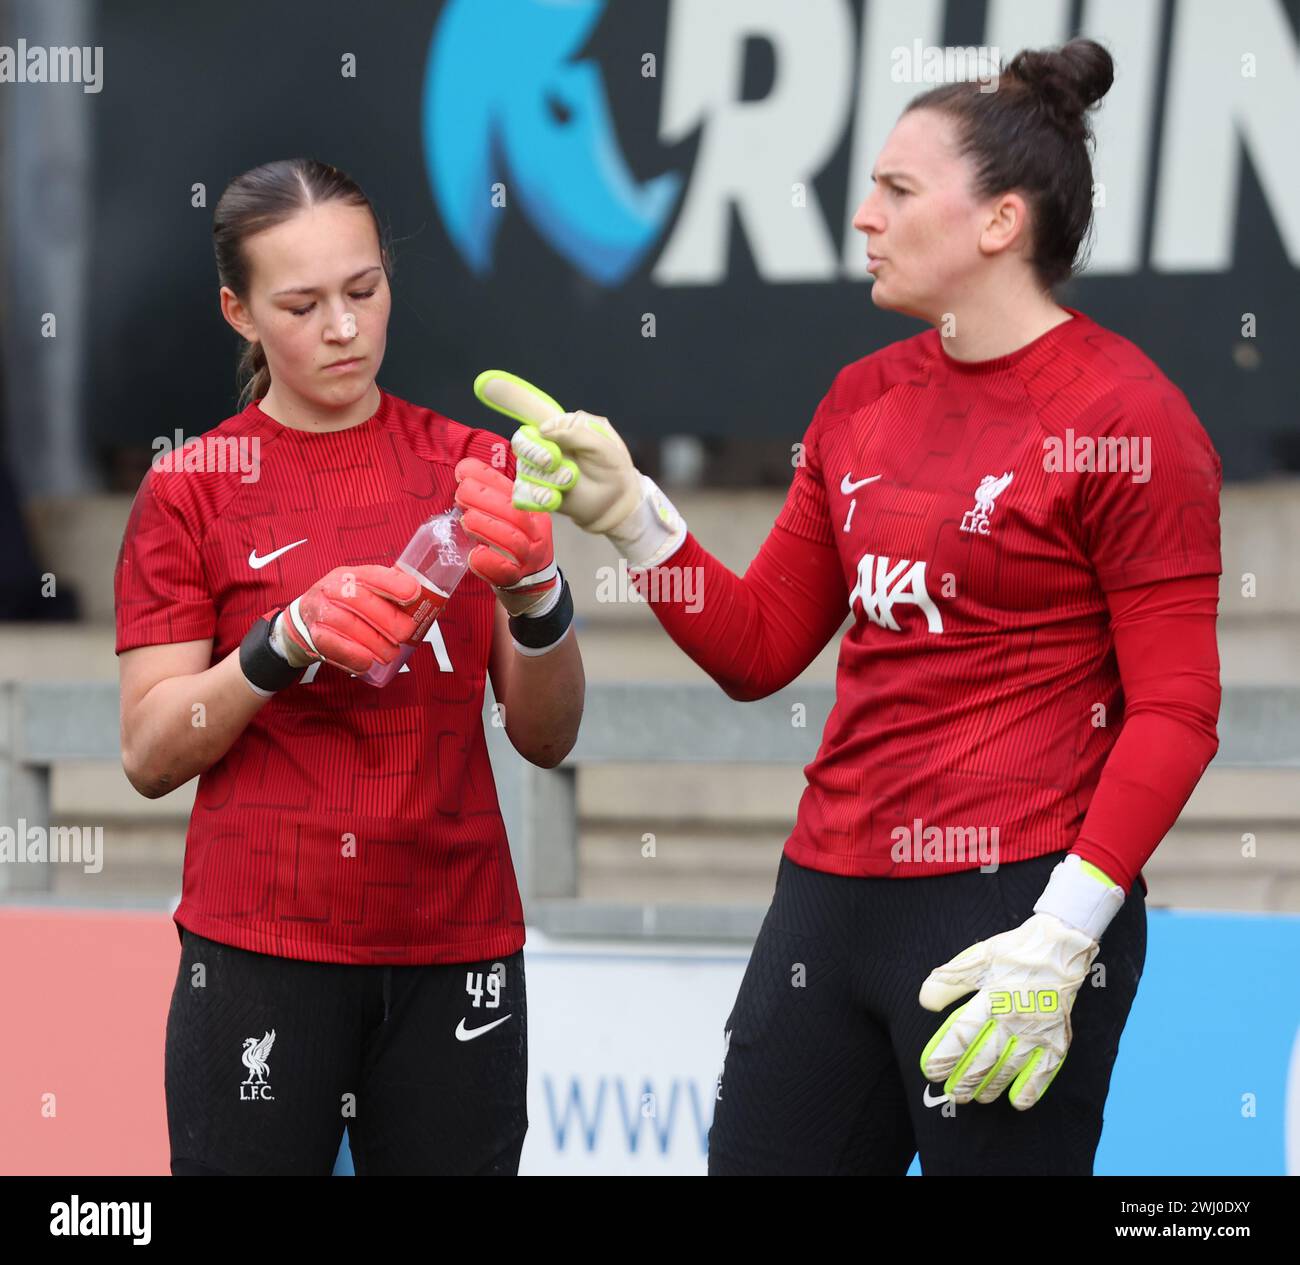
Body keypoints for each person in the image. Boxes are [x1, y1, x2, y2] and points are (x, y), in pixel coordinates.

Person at [496, 40, 1221, 1175]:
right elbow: (757, 647)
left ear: (998, 223)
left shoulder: (1132, 416)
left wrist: (1065, 929)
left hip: (1013, 907)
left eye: (895, 189)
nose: (861, 217)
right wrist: (635, 518)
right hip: (824, 905)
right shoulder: (860, 398)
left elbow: (1177, 709)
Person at [114, 158, 584, 1176]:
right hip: (261, 949)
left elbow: (546, 735)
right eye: (301, 303)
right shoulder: (191, 487)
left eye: (364, 290)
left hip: (456, 941)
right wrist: (282, 642)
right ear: (238, 312)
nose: (342, 328)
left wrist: (537, 596)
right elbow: (150, 751)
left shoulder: (474, 464)